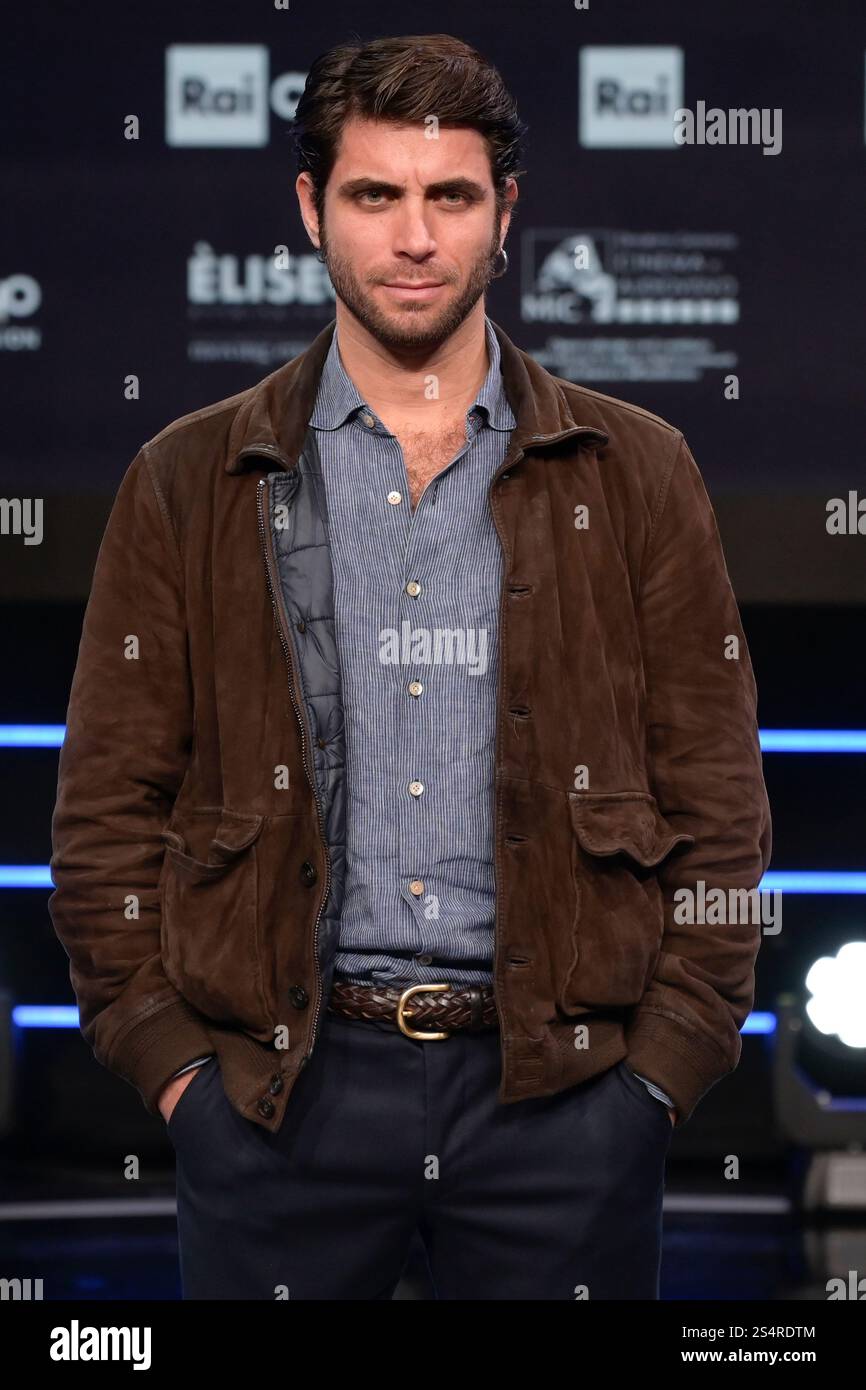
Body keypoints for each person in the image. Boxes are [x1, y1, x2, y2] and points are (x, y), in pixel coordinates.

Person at [49, 33, 772, 1300]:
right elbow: (107, 812)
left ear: (505, 213)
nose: (414, 236)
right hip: (280, 1101)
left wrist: (658, 1075)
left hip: (564, 1102)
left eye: (450, 196)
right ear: (310, 208)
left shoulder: (637, 469)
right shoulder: (187, 477)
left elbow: (718, 803)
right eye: (374, 195)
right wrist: (178, 1075)